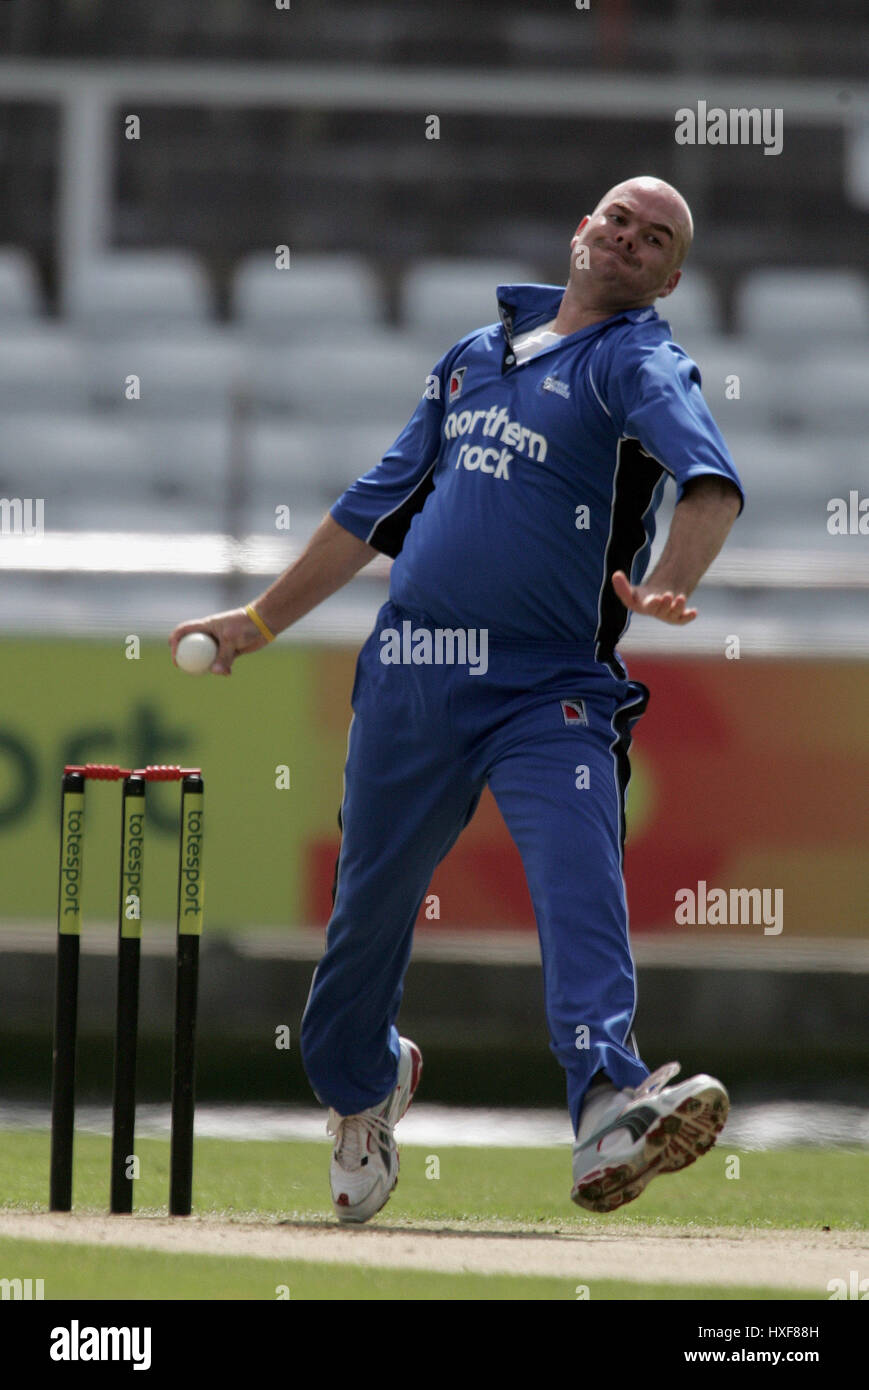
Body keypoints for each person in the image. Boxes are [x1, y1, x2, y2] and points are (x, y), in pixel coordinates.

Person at [170, 175, 744, 1224]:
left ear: (667, 275)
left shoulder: (635, 358)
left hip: (548, 686)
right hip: (411, 678)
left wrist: (674, 581)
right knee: (363, 922)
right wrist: (251, 624)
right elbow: (365, 512)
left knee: (576, 871)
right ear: (579, 230)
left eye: (653, 236)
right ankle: (363, 1084)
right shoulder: (472, 360)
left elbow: (707, 480)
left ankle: (607, 1099)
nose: (626, 236)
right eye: (615, 217)